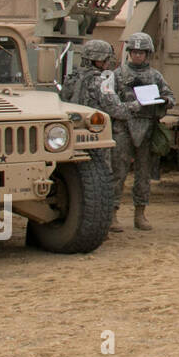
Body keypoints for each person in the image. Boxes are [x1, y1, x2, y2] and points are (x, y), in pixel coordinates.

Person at [61, 38, 132, 231]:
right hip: (96, 141)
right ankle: (104, 223)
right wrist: (135, 105)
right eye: (106, 60)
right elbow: (118, 110)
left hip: (72, 140)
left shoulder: (71, 79)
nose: (108, 63)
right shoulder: (101, 82)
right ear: (99, 60)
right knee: (101, 182)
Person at [111, 32, 175, 231]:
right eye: (134, 52)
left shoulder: (155, 76)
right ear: (129, 53)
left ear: (148, 54)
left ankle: (140, 213)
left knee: (143, 174)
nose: (138, 56)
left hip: (147, 129)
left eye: (142, 52)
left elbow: (170, 96)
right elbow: (110, 101)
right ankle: (112, 214)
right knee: (117, 172)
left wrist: (164, 100)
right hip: (123, 128)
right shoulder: (118, 74)